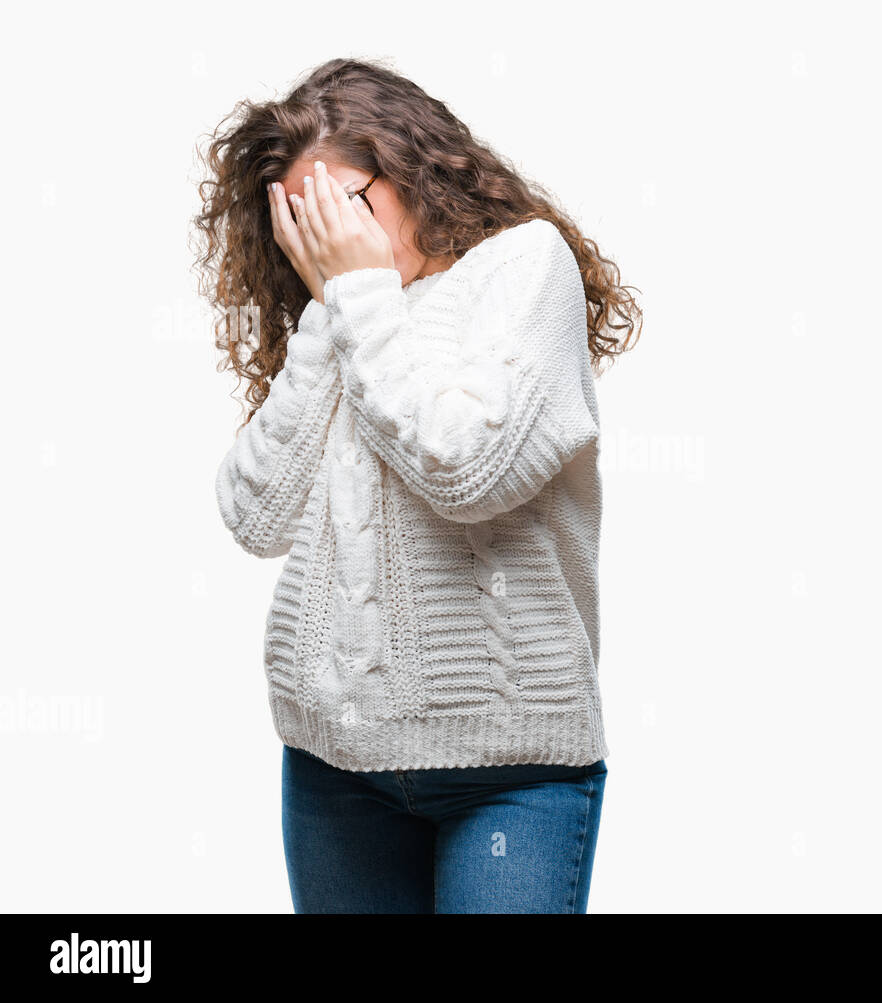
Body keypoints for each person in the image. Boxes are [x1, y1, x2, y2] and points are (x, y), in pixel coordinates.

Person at [193, 57, 642, 913]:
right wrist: (330, 310)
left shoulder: (521, 268)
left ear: (413, 169)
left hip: (510, 771)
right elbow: (253, 514)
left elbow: (467, 467)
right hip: (332, 770)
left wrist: (355, 295)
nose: (330, 234)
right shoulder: (340, 317)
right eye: (303, 216)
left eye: (348, 202)